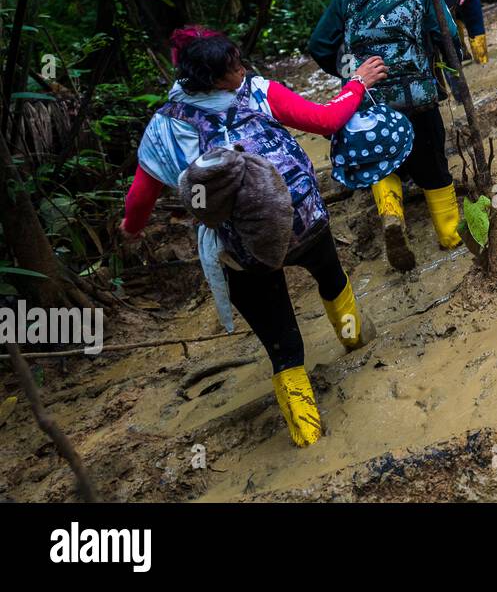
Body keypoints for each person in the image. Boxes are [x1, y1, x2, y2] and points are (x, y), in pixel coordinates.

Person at [119, 27, 389, 447]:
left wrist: (130, 230)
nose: (242, 70)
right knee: (332, 280)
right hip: (302, 222)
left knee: (281, 343)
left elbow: (140, 197)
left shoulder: (162, 127)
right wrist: (357, 85)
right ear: (213, 77)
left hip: (238, 249)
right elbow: (326, 120)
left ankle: (308, 439)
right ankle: (356, 341)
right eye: (234, 67)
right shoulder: (260, 91)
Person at [309, 0, 463, 270]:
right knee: (433, 164)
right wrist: (453, 66)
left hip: (369, 95)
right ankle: (450, 237)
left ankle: (393, 217)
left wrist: (349, 77)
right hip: (417, 95)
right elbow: (446, 34)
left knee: (381, 158)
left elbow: (319, 44)